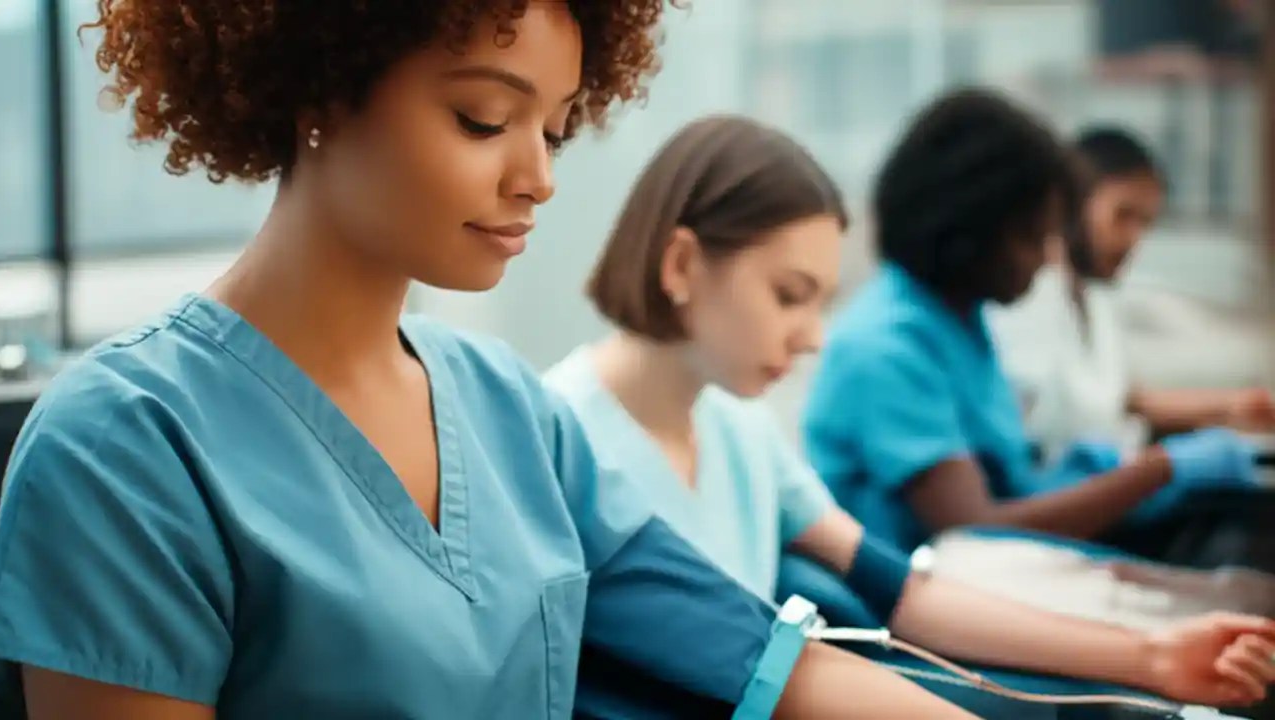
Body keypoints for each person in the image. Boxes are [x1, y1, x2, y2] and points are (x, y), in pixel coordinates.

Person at [0, 3, 985, 719]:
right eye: (482, 119)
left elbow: (766, 665)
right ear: (317, 89)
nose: (538, 177)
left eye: (553, 128)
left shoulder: (507, 406)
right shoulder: (122, 449)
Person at [543, 114, 1275, 715]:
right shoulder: (553, 438)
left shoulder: (739, 432)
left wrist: (1154, 657)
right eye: (789, 295)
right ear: (679, 267)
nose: (815, 337)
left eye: (821, 303)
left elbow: (906, 592)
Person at [800, 89, 1263, 560]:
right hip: (911, 603)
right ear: (967, 229)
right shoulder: (885, 346)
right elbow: (973, 529)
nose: (1045, 260)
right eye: (1031, 239)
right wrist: (1158, 470)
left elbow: (1015, 480)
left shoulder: (963, 322)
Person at [988, 125, 1275, 466]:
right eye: (1122, 215)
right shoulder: (1025, 295)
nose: (1133, 239)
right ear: (1070, 201)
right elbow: (1045, 429)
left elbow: (1120, 397)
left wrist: (1232, 407)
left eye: (1145, 223)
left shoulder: (1089, 294)